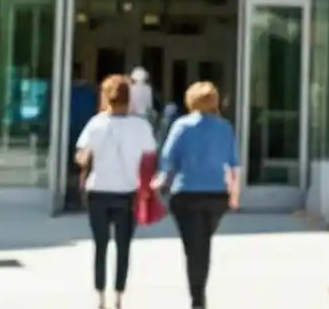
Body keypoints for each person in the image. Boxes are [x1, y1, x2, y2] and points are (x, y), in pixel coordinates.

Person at [152, 82, 240, 309]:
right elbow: (233, 164)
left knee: (193, 247)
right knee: (203, 243)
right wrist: (234, 195)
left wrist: (162, 178)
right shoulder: (225, 127)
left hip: (186, 193)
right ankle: (198, 295)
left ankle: (197, 298)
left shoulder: (182, 125)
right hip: (216, 194)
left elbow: (168, 157)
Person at [76, 74, 157, 309]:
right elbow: (149, 157)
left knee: (100, 246)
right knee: (124, 246)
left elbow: (81, 156)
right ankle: (119, 296)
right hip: (127, 191)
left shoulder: (96, 124)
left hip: (98, 190)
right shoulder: (141, 126)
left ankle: (100, 296)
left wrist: (88, 157)